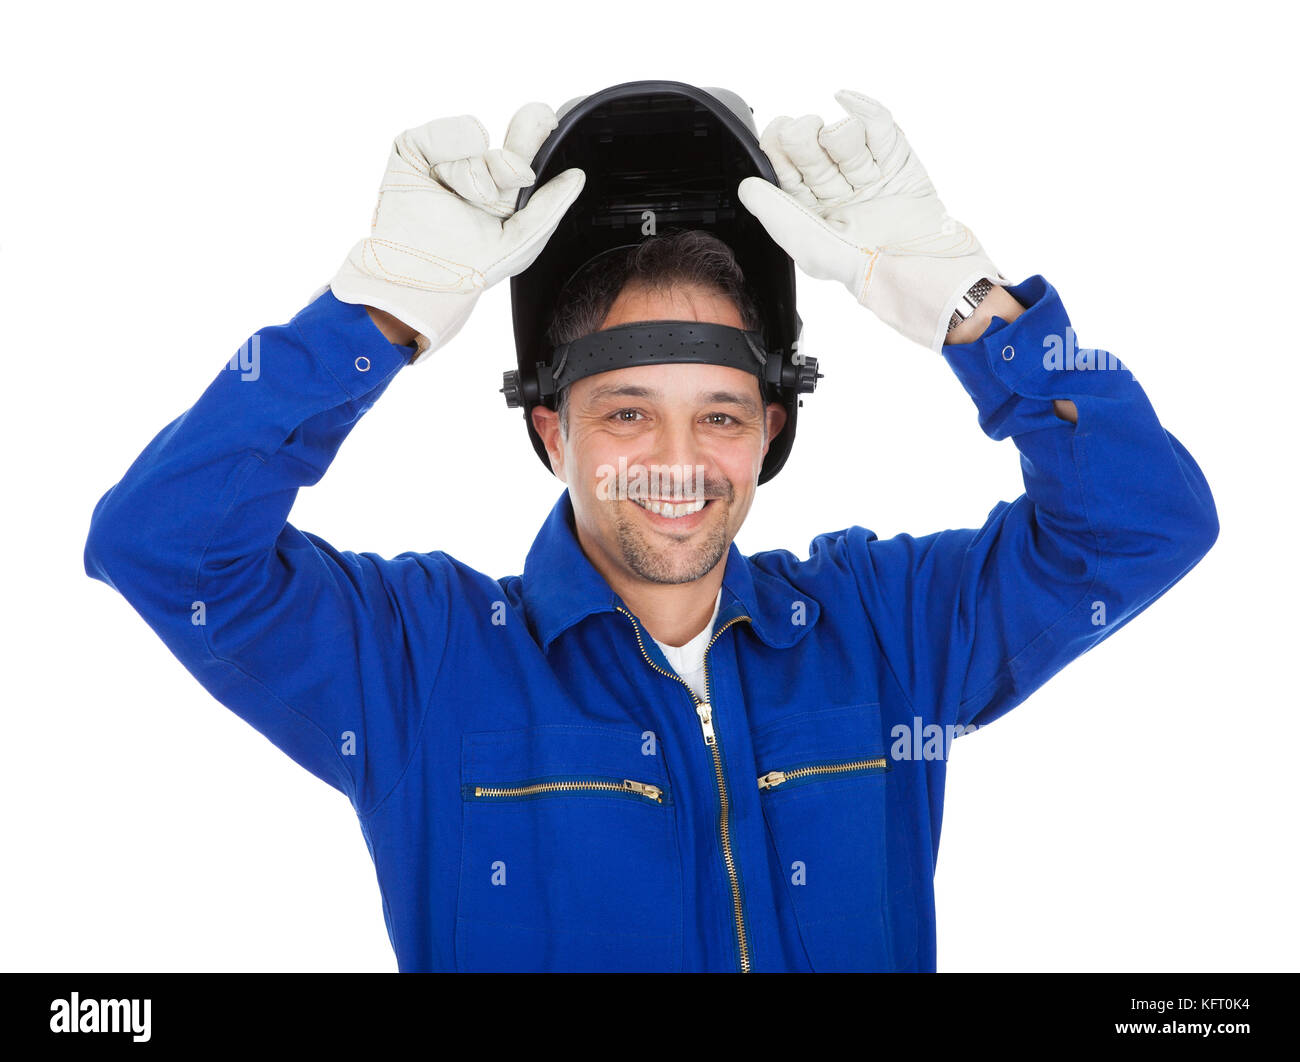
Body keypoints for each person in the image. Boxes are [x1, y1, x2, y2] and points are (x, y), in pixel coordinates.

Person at [83, 87, 1218, 972]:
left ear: (769, 431)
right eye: (627, 413)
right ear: (549, 433)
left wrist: (977, 310)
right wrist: (377, 314)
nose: (677, 461)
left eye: (718, 414)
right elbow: (166, 545)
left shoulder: (888, 632)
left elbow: (1141, 525)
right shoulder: (423, 663)